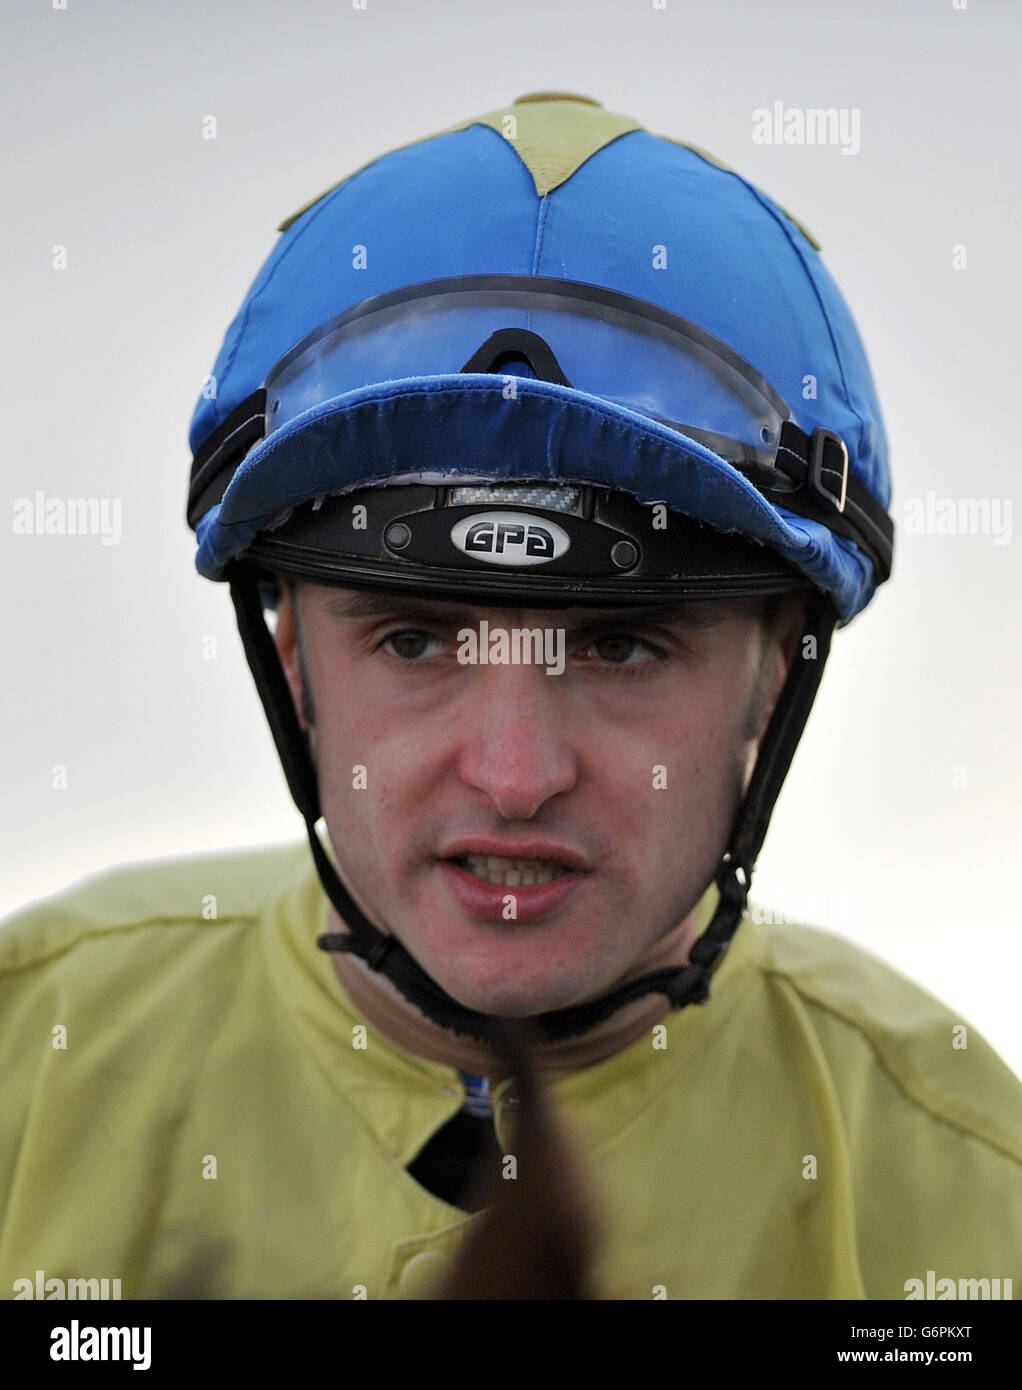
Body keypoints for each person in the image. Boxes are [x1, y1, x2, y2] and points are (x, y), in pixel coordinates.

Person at [2, 92, 1020, 1303]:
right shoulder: (30, 1048)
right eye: (415, 639)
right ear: (291, 663)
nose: (514, 772)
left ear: (773, 674)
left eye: (622, 646)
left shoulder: (973, 1192)